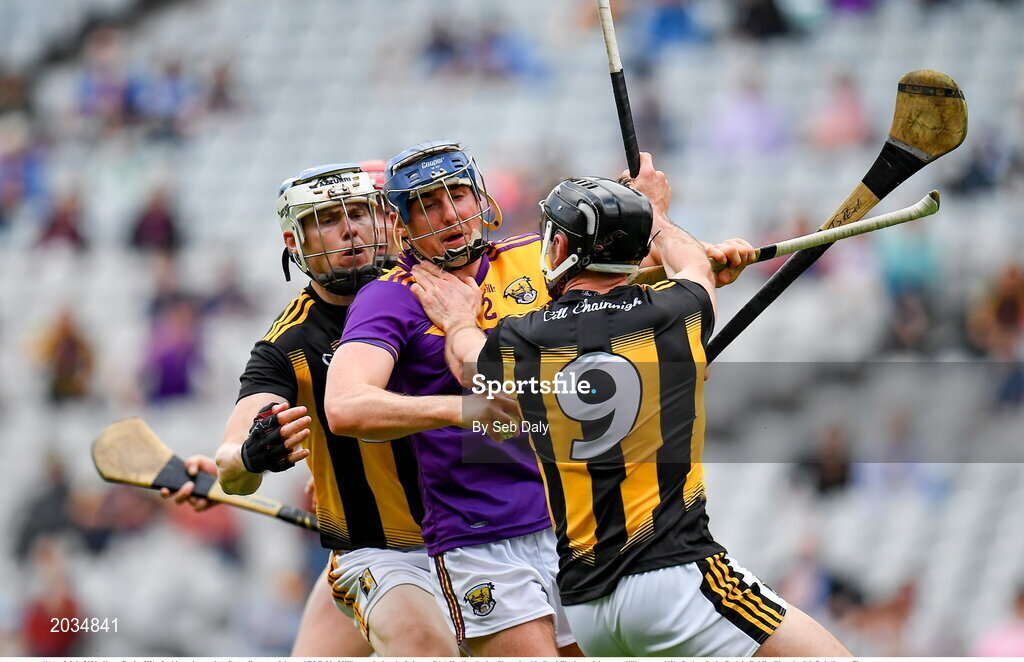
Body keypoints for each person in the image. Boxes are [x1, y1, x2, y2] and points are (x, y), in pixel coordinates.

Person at [408, 152, 852, 656]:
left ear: (558, 246)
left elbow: (467, 362)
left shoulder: (523, 338)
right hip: (676, 574)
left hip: (586, 605)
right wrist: (658, 213)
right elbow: (692, 264)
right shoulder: (675, 310)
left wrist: (460, 317)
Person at [163, 162, 457, 656]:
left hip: (482, 535)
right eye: (325, 219)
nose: (349, 229)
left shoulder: (439, 292)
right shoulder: (288, 345)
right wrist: (244, 459)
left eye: (361, 212)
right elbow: (235, 454)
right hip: (378, 552)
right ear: (292, 241)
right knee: (423, 646)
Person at [326, 140, 580, 656]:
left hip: (576, 521)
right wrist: (459, 410)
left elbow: (639, 269)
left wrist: (687, 251)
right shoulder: (392, 296)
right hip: (481, 538)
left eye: (458, 196)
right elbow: (346, 405)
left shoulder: (538, 256)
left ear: (481, 199)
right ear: (402, 227)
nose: (449, 215)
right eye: (427, 205)